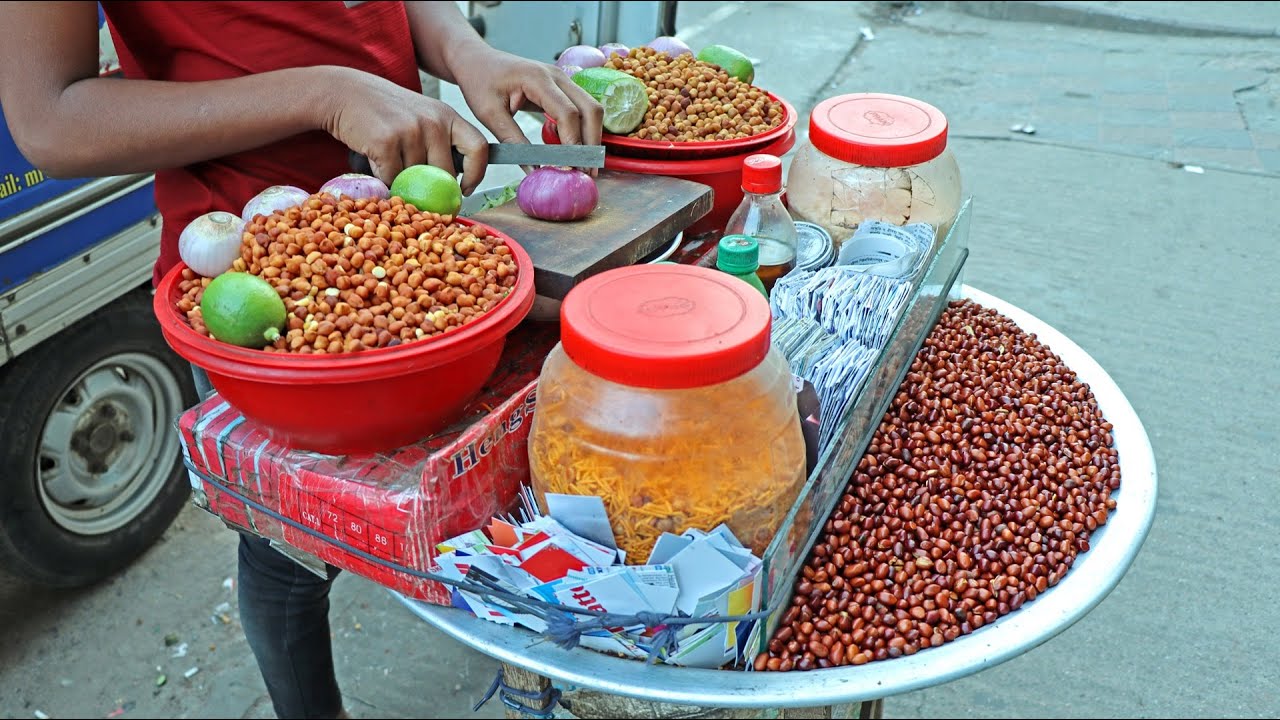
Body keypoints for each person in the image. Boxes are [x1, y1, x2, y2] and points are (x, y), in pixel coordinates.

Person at [0, 3, 603, 718]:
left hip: (408, 235)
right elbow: (51, 119)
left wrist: (466, 52)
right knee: (286, 548)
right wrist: (324, 92)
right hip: (256, 288)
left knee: (476, 488)